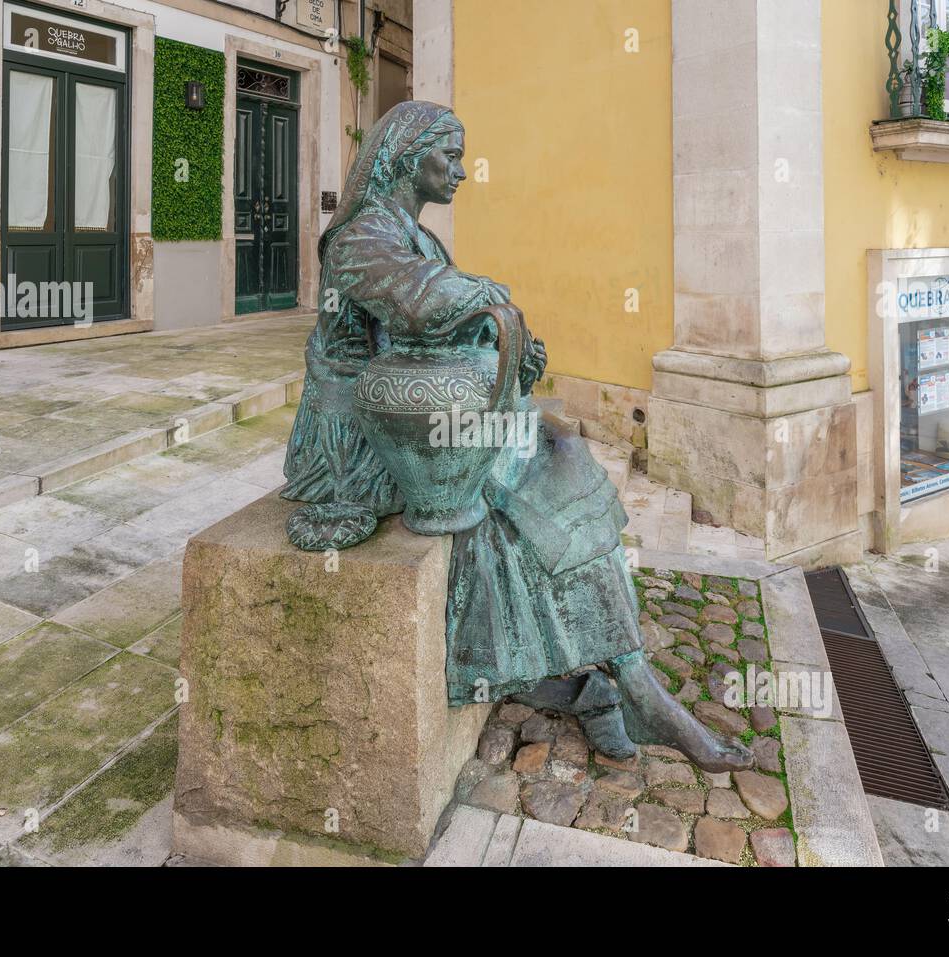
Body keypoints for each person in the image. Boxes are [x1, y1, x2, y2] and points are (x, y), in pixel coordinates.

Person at [282, 101, 752, 772]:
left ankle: (620, 678)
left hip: (416, 419)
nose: (464, 171)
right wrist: (493, 305)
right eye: (452, 155)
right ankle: (623, 684)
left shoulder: (416, 236)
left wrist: (511, 342)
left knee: (559, 453)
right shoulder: (360, 239)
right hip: (362, 445)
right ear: (410, 159)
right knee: (536, 481)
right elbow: (419, 300)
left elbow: (446, 317)